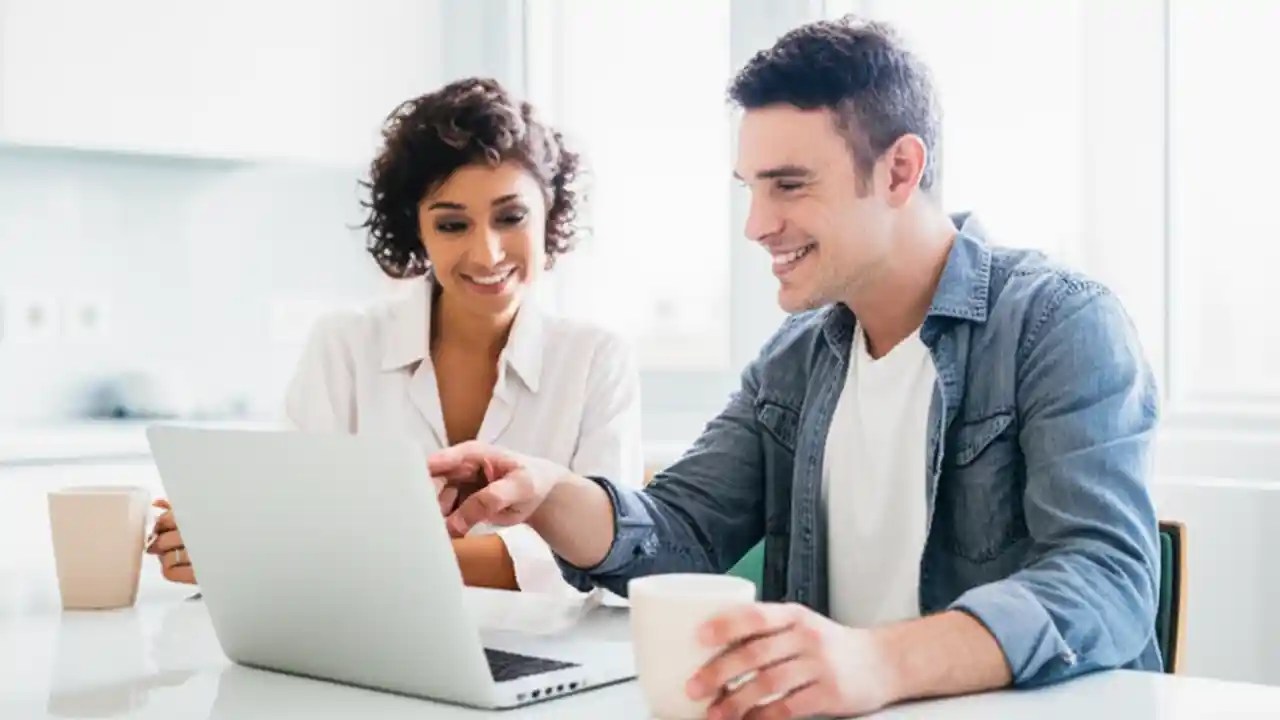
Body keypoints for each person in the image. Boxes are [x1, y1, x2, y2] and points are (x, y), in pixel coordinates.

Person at [427, 16, 1161, 720]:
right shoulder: (797, 358)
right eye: (750, 188)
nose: (756, 225)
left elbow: (1106, 580)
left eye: (789, 185)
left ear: (900, 169)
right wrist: (549, 493)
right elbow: (682, 529)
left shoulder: (1057, 324)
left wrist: (875, 662)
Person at [149, 77, 644, 595]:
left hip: (550, 652)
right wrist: (228, 543)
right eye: (453, 225)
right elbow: (294, 514)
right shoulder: (346, 345)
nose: (488, 253)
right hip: (368, 642)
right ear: (418, 230)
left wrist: (287, 554)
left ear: (550, 214)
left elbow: (603, 556)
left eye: (511, 217)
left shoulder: (596, 359)